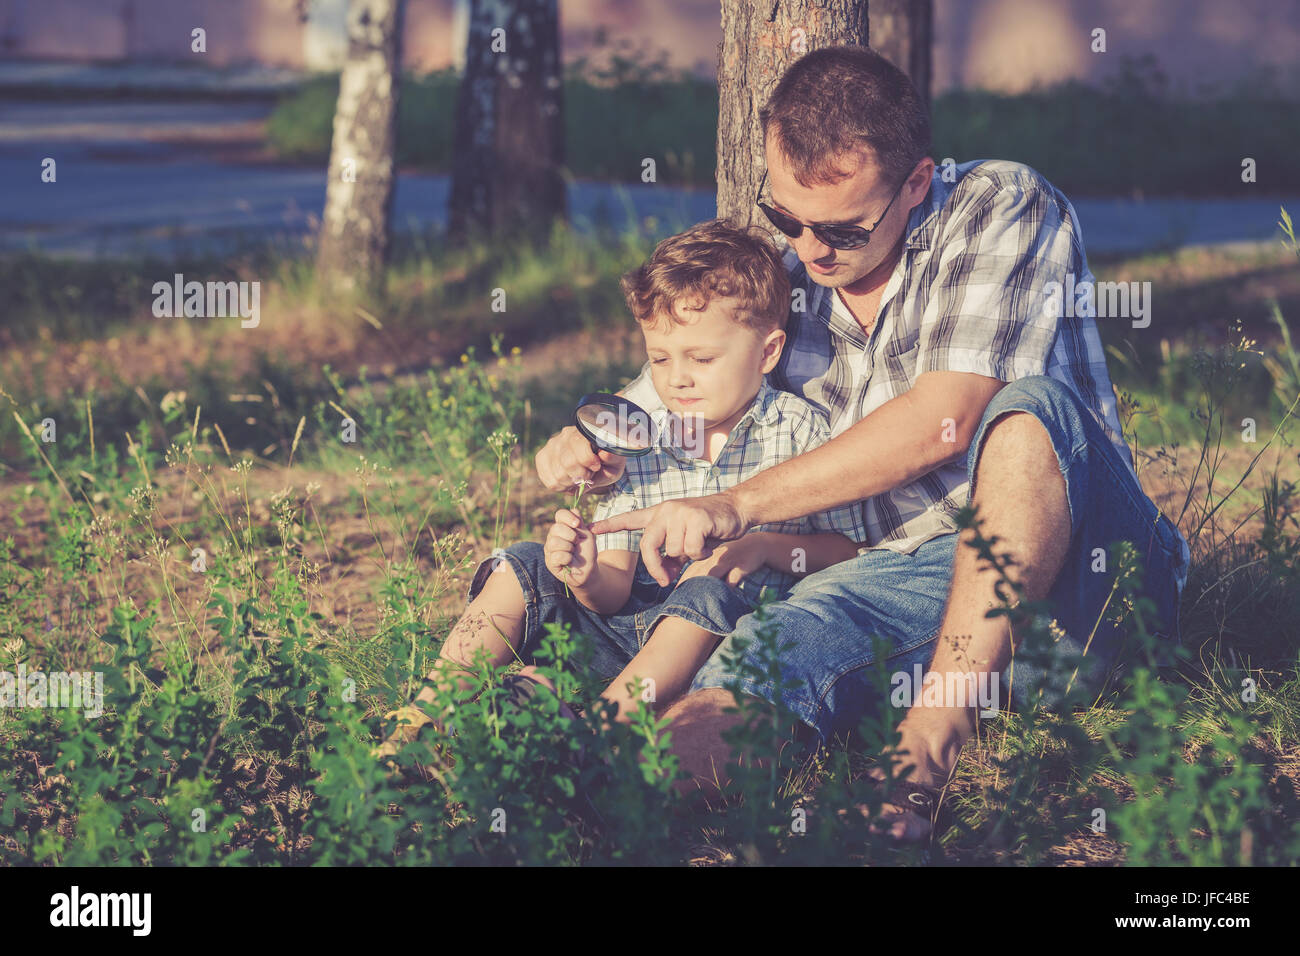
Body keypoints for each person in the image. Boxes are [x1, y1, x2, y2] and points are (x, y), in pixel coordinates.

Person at [537, 45, 1190, 841]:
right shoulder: (785, 276)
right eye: (787, 219)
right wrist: (590, 440)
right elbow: (651, 406)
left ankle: (925, 755)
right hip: (893, 583)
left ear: (915, 182)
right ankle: (591, 792)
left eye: (842, 228)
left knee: (1028, 411)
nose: (811, 251)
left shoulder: (1001, 205)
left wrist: (734, 506)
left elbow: (941, 420)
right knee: (766, 657)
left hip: (1085, 584)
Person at [376, 219, 864, 758]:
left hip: (713, 644)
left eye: (701, 359)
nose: (676, 378)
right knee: (523, 563)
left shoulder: (799, 432)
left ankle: (597, 739)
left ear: (768, 353)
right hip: (623, 631)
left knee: (706, 586)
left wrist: (759, 547)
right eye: (659, 358)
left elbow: (846, 551)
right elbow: (612, 590)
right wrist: (584, 575)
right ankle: (422, 717)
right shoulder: (643, 435)